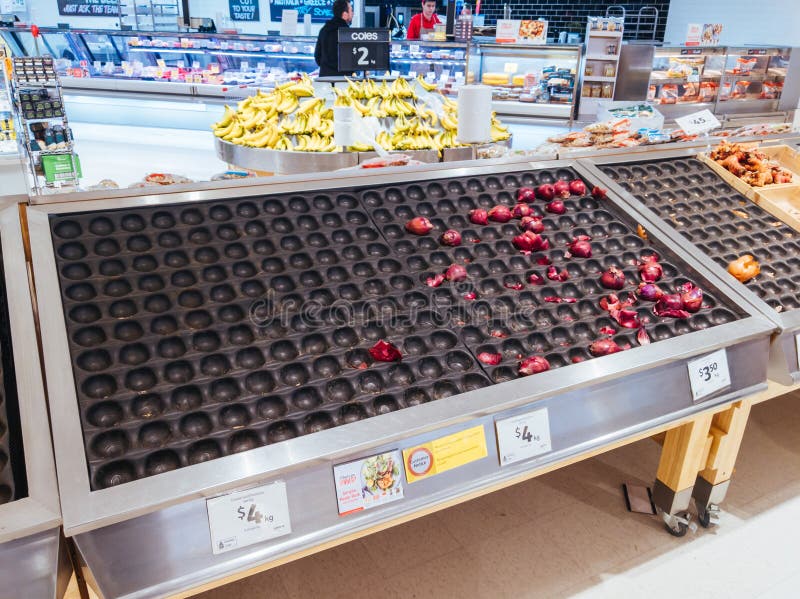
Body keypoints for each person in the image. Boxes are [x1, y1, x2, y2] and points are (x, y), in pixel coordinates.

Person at [314, 0, 354, 77]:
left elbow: (317, 56)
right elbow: (353, 59)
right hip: (344, 80)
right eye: (351, 11)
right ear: (345, 14)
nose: (352, 14)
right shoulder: (348, 33)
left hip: (325, 78)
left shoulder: (324, 30)